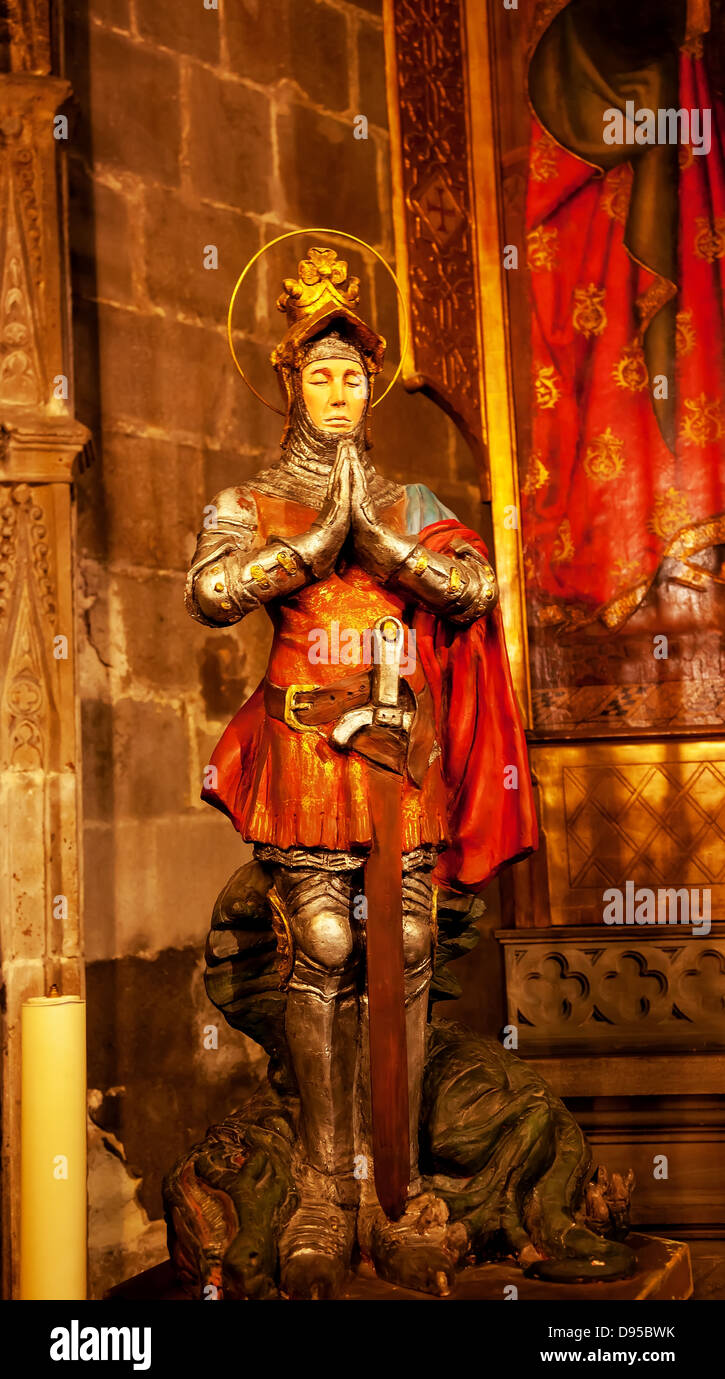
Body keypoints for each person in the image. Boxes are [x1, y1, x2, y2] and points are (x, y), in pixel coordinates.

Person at [185, 248, 537, 1297]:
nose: (338, 391)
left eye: (352, 376)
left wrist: (378, 543)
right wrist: (311, 546)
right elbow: (210, 593)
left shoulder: (407, 498)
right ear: (289, 384)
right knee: (327, 945)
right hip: (303, 752)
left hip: (398, 755)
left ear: (368, 388)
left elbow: (473, 589)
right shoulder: (252, 498)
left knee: (410, 942)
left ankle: (398, 1187)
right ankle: (318, 1190)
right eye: (320, 375)